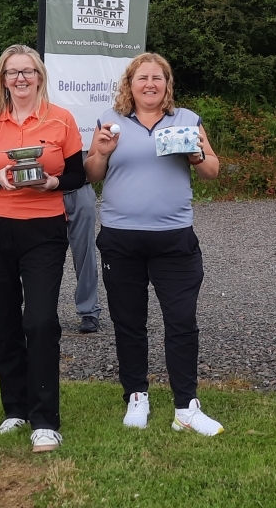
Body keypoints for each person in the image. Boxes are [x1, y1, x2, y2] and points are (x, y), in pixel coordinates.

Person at [85, 52, 224, 435]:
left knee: (181, 321)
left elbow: (212, 170)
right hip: (120, 238)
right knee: (129, 322)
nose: (150, 84)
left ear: (167, 84)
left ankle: (186, 407)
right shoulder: (110, 123)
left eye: (157, 78)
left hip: (174, 238)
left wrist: (196, 155)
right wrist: (100, 152)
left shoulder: (187, 120)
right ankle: (136, 396)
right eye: (142, 78)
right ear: (130, 84)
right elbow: (91, 174)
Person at [0, 44, 84, 453]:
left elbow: (79, 175)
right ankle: (15, 409)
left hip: (44, 229)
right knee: (4, 322)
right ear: (3, 79)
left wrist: (52, 183)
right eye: (13, 72)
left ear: (40, 76)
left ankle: (46, 420)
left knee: (41, 320)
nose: (21, 78)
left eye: (28, 71)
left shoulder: (61, 119)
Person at [64, 183, 101, 334]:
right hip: (44, 193)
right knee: (42, 257)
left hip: (79, 187)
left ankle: (89, 311)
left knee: (85, 253)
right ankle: (42, 313)